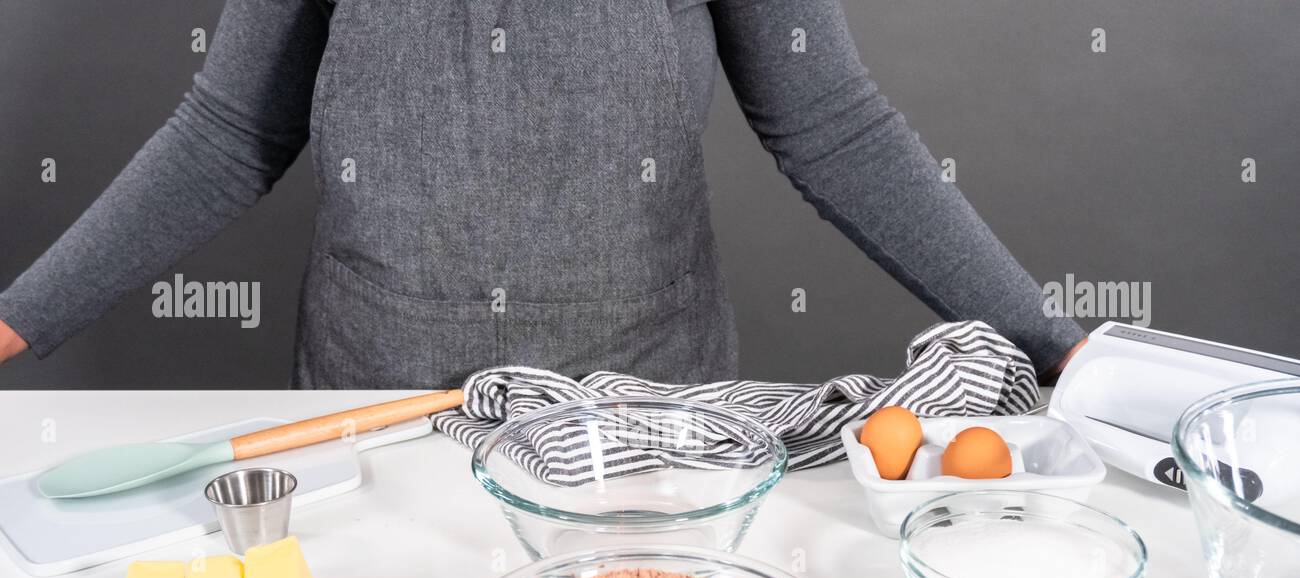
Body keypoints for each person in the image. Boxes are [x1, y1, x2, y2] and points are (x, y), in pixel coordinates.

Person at [0, 0, 1085, 387]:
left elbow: (831, 125)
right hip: (378, 414)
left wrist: (1047, 338)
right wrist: (18, 317)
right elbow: (232, 130)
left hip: (642, 426)